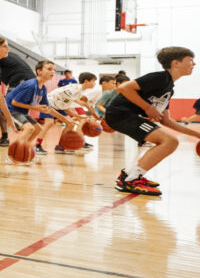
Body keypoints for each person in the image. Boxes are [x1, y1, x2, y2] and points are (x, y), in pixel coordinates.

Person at [107, 47, 200, 196]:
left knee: (170, 141)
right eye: (190, 60)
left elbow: (166, 121)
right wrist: (147, 107)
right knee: (169, 141)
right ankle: (132, 180)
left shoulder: (169, 87)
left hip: (127, 115)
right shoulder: (159, 77)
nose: (194, 64)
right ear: (176, 63)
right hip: (120, 114)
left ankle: (128, 175)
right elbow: (124, 88)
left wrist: (196, 135)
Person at [5, 61, 79, 156]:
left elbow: (48, 109)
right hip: (10, 109)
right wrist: (36, 108)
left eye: (54, 70)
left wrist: (66, 120)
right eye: (49, 69)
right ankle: (12, 155)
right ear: (39, 71)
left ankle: (23, 150)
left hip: (21, 111)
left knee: (38, 129)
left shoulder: (43, 89)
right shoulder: (31, 85)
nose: (53, 72)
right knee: (29, 128)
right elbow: (14, 102)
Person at [0, 35, 35, 147]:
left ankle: (5, 137)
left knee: (5, 109)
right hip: (32, 82)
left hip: (20, 80)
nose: (8, 49)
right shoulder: (7, 57)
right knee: (18, 109)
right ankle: (28, 129)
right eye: (4, 46)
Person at [48, 71, 98, 152]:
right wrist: (77, 101)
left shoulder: (80, 91)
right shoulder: (76, 88)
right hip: (50, 103)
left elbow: (67, 107)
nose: (95, 84)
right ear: (86, 81)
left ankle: (61, 146)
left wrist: (78, 116)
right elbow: (64, 93)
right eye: (93, 81)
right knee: (48, 124)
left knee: (70, 123)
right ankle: (41, 144)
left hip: (59, 106)